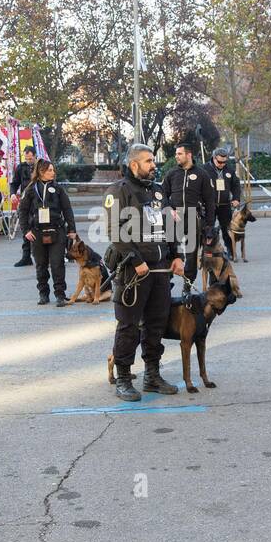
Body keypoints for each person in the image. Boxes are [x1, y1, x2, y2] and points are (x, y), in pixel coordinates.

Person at [104, 144, 185, 401]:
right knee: (128, 326)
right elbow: (114, 231)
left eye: (153, 161)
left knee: (156, 325)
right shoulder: (119, 191)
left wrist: (177, 256)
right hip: (133, 273)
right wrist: (136, 260)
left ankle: (152, 375)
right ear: (134, 164)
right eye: (148, 161)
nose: (154, 165)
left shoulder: (158, 191)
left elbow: (170, 224)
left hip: (161, 271)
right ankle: (124, 379)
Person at [19, 159, 77, 306]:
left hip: (57, 231)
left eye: (53, 170)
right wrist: (25, 230)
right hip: (37, 232)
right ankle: (43, 294)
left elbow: (67, 210)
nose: (53, 173)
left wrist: (72, 230)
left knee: (58, 264)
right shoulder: (31, 189)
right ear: (41, 171)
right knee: (41, 264)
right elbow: (23, 211)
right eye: (49, 170)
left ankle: (60, 294)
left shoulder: (58, 189)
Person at [161, 142, 216, 281]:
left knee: (191, 254)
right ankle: (166, 284)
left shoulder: (202, 174)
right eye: (176, 154)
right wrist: (168, 209)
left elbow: (210, 200)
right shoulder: (171, 173)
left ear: (189, 154)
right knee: (170, 251)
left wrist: (210, 224)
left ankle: (188, 285)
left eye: (179, 154)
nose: (176, 157)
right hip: (174, 218)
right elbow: (161, 195)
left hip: (193, 217)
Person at [205, 147, 242, 257]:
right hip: (209, 205)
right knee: (209, 231)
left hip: (225, 205)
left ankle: (231, 251)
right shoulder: (204, 169)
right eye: (220, 162)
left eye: (224, 162)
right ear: (214, 158)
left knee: (227, 230)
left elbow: (236, 185)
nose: (222, 164)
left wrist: (236, 198)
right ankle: (210, 252)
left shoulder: (229, 170)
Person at [10, 146, 37, 267]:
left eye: (30, 158)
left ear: (35, 156)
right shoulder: (21, 167)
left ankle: (45, 256)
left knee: (39, 227)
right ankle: (26, 257)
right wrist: (12, 194)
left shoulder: (42, 166)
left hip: (39, 201)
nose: (28, 161)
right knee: (25, 227)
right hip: (26, 201)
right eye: (26, 158)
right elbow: (15, 183)